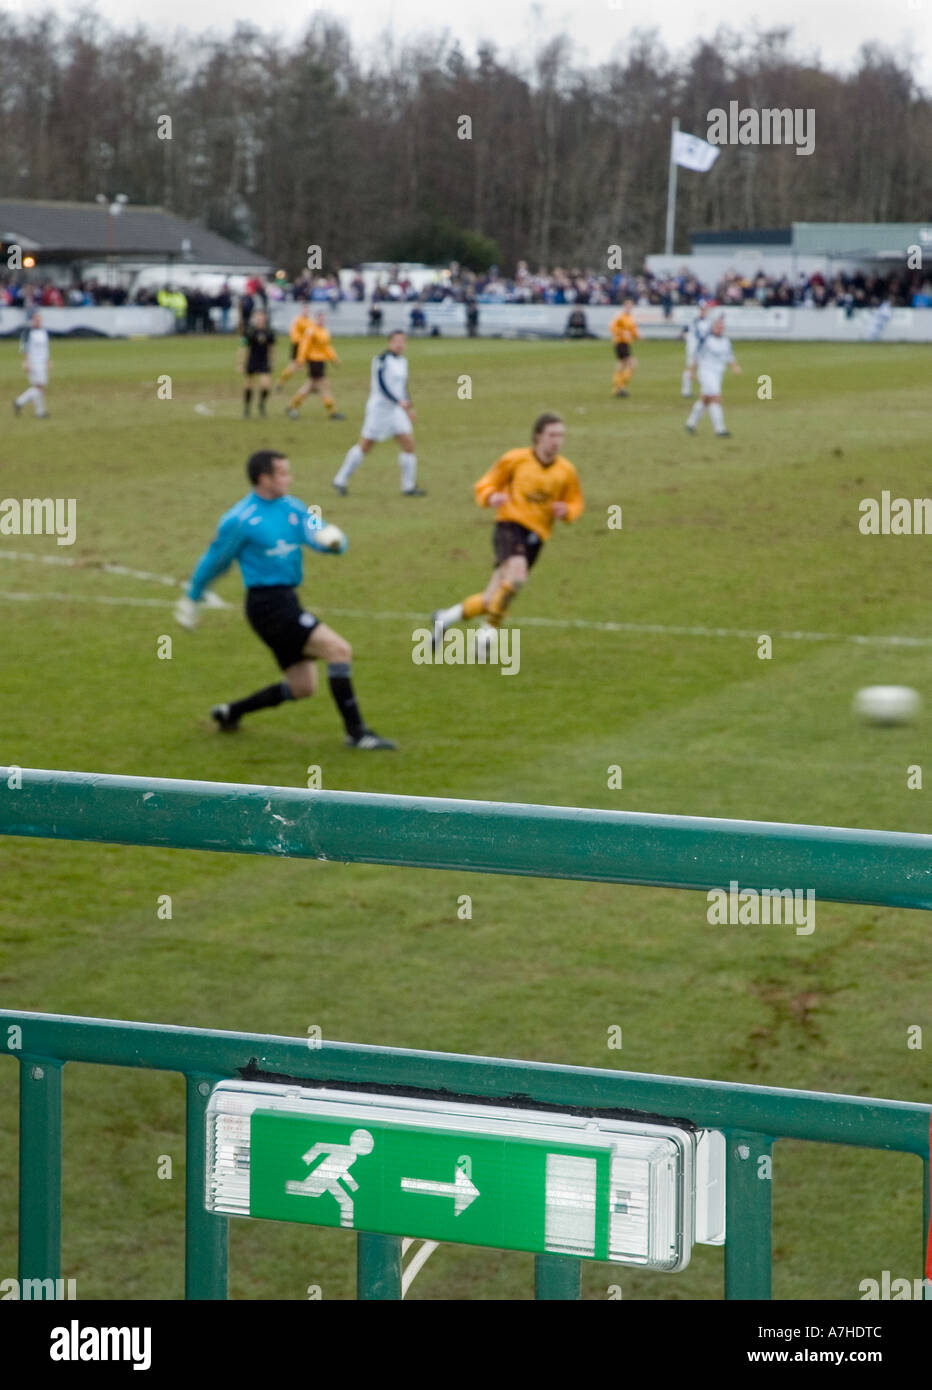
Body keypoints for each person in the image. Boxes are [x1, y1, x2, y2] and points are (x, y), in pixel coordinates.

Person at [174, 450, 396, 750]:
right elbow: (215, 561)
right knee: (339, 650)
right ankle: (357, 734)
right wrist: (193, 598)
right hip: (267, 606)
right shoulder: (240, 520)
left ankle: (230, 712)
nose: (289, 478)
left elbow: (318, 532)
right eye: (282, 473)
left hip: (287, 600)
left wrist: (334, 542)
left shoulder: (293, 508)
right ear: (263, 478)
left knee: (303, 687)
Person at [430, 413, 583, 642]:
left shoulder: (566, 471)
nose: (557, 441)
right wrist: (490, 497)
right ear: (537, 437)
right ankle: (487, 633)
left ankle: (445, 618)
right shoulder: (514, 459)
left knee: (494, 597)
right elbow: (486, 483)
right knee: (518, 577)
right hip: (509, 525)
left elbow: (575, 501)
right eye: (552, 434)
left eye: (561, 435)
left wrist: (567, 511)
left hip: (537, 535)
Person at [333, 330, 424, 496]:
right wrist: (398, 401)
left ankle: (408, 487)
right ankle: (340, 479)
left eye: (402, 341)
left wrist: (409, 406)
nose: (400, 344)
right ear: (389, 342)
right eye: (396, 341)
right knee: (365, 445)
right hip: (379, 410)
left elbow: (403, 387)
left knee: (409, 444)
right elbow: (382, 385)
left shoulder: (403, 361)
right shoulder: (381, 360)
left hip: (396, 411)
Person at [685, 315, 740, 437]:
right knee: (716, 398)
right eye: (717, 326)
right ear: (713, 327)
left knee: (705, 399)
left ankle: (691, 423)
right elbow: (696, 357)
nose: (720, 328)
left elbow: (730, 355)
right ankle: (720, 429)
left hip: (718, 374)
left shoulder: (726, 341)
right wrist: (692, 372)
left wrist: (734, 366)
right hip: (706, 372)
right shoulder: (706, 340)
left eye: (722, 327)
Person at [286, 311, 345, 420]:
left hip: (321, 362)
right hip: (314, 362)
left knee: (310, 386)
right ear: (315, 319)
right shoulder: (311, 331)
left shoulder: (325, 331)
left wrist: (334, 359)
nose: (322, 320)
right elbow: (304, 346)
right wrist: (300, 360)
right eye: (319, 318)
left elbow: (326, 347)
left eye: (323, 318)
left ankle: (291, 407)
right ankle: (332, 412)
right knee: (323, 385)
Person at [13, 310, 51, 419]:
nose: (38, 320)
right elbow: (24, 349)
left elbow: (45, 348)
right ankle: (35, 409)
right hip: (34, 362)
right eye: (36, 318)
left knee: (39, 387)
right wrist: (26, 362)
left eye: (39, 318)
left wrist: (48, 360)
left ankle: (23, 404)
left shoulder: (43, 331)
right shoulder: (28, 333)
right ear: (32, 320)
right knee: (39, 387)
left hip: (42, 362)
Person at [238, 308, 275, 418]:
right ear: (254, 318)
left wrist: (272, 361)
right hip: (252, 360)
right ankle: (247, 408)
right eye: (257, 316)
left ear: (264, 318)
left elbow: (272, 348)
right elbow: (243, 347)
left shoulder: (269, 331)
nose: (259, 318)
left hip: (264, 361)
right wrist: (241, 363)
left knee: (266, 386)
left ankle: (261, 404)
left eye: (261, 316)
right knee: (248, 385)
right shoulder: (249, 331)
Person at [276, 306, 313, 390]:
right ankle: (281, 382)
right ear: (302, 311)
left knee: (312, 366)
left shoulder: (310, 321)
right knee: (293, 366)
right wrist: (301, 341)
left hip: (307, 347)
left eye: (307, 310)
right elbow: (294, 333)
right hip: (298, 346)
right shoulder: (297, 320)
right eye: (305, 310)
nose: (306, 312)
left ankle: (312, 385)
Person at [609, 298, 639, 396]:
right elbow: (612, 327)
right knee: (632, 363)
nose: (629, 307)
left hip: (626, 343)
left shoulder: (630, 318)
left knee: (623, 364)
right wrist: (621, 333)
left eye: (631, 306)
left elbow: (633, 330)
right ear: (624, 306)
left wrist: (637, 336)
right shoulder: (620, 317)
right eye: (627, 306)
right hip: (620, 343)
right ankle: (620, 386)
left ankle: (618, 387)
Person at [680, 300, 711, 397]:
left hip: (702, 349)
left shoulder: (708, 322)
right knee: (691, 368)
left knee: (703, 368)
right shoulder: (694, 321)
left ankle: (706, 390)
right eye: (702, 309)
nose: (703, 311)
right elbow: (685, 332)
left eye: (705, 309)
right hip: (694, 349)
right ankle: (686, 390)